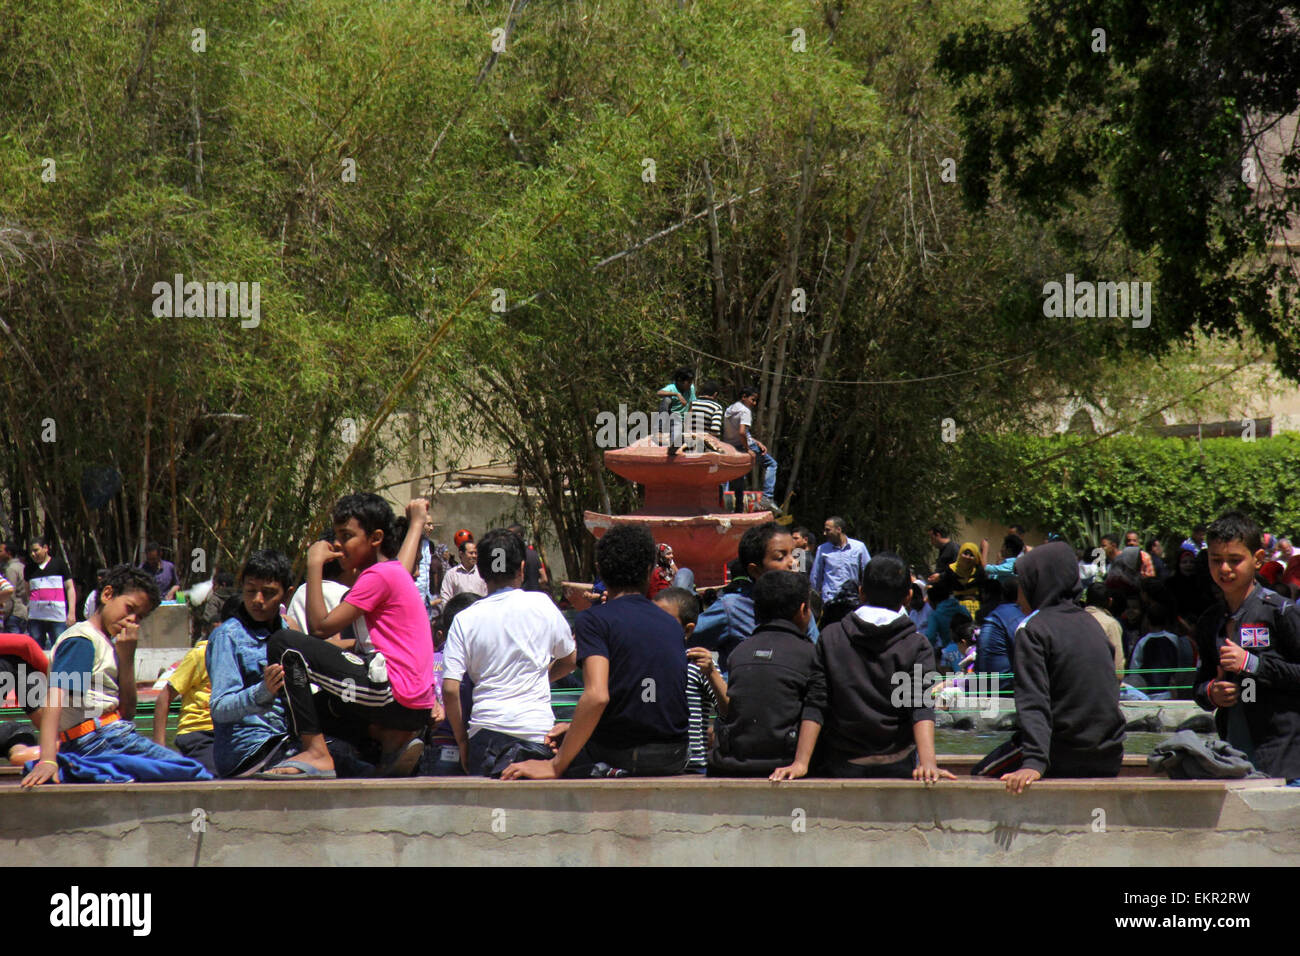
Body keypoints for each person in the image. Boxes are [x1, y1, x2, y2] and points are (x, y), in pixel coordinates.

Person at [259, 493, 435, 779]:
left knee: (284, 645)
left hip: (394, 695)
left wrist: (313, 564)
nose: (338, 545)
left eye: (347, 536)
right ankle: (385, 740)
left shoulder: (376, 576)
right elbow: (402, 565)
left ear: (375, 538)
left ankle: (317, 753)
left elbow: (319, 628)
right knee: (318, 711)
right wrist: (416, 524)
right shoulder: (391, 573)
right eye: (336, 536)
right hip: (412, 706)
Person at [502, 525, 689, 779]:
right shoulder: (671, 624)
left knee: (528, 756)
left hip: (621, 754)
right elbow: (646, 702)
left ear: (600, 569)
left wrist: (555, 765)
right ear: (649, 571)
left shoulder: (594, 620)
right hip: (674, 755)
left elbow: (597, 696)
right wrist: (575, 727)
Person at [21, 564, 210, 786]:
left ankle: (98, 769)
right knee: (194, 772)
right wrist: (48, 759)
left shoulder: (111, 645)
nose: (132, 620)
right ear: (107, 594)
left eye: (139, 617)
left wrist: (127, 657)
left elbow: (128, 712)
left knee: (184, 771)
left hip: (112, 735)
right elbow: (56, 697)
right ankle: (87, 767)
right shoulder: (83, 641)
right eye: (129, 608)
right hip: (98, 737)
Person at [775, 553, 954, 782]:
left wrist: (800, 763)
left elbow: (816, 701)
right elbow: (920, 706)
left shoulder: (831, 637)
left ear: (861, 593)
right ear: (908, 597)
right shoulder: (917, 645)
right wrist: (929, 764)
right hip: (898, 761)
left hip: (843, 762)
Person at [989, 542, 1126, 793]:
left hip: (1060, 755)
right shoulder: (1092, 624)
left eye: (1023, 582)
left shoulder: (1032, 630)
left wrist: (1034, 762)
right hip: (1108, 756)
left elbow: (1033, 701)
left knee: (980, 776)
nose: (1018, 593)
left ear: (1040, 583)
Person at [441, 529, 576, 777]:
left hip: (485, 736)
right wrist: (540, 678)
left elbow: (450, 689)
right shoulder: (543, 605)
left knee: (484, 814)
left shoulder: (464, 619)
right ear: (522, 568)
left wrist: (462, 741)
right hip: (538, 734)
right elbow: (569, 659)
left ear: (481, 572)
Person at [1192, 511, 1300, 783]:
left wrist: (1253, 665)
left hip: (1283, 756)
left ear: (1258, 559)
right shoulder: (1209, 621)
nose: (1224, 569)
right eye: (1216, 561)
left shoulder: (1279, 611)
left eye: (1234, 560)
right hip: (1234, 754)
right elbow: (1200, 684)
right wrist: (1213, 693)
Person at [708, 571, 821, 777]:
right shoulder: (810, 655)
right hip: (785, 764)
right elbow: (815, 709)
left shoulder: (739, 653)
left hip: (731, 764)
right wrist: (801, 763)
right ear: (803, 610)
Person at [206, 550, 297, 777]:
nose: (257, 600)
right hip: (247, 750)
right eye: (250, 591)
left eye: (268, 593)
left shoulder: (288, 633)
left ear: (287, 595)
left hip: (283, 739)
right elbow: (219, 708)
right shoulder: (228, 636)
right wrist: (263, 691)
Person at [693, 522, 817, 668]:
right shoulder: (732, 608)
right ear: (755, 571)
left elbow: (817, 658)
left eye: (794, 554)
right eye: (780, 557)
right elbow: (682, 639)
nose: (793, 563)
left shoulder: (801, 608)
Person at [653, 586, 727, 774]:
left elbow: (728, 711)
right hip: (655, 764)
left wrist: (711, 673)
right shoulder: (647, 662)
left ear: (687, 630)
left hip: (694, 768)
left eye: (664, 621)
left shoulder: (697, 663)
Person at [152, 638, 216, 774]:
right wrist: (159, 750)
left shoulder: (242, 654)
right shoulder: (200, 655)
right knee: (214, 775)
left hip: (230, 732)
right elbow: (164, 698)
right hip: (200, 731)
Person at [722, 385, 779, 512]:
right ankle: (767, 498)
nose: (754, 403)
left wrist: (757, 442)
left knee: (739, 475)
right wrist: (748, 449)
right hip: (744, 445)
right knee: (772, 464)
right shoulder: (745, 411)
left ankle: (738, 508)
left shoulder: (730, 409)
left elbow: (740, 432)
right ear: (744, 397)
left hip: (730, 446)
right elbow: (742, 432)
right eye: (752, 400)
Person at [1129, 603, 1194, 700]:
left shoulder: (1142, 642)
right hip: (1169, 692)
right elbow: (1183, 664)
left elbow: (1134, 669)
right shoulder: (1174, 639)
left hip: (1148, 694)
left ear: (1147, 621)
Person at [975, 574, 1025, 694]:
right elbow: (1025, 653)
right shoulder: (1015, 616)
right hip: (1003, 687)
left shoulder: (997, 614)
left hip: (983, 684)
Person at [25, 536, 76, 651]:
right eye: (31, 552)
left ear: (45, 548)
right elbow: (27, 591)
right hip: (36, 617)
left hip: (57, 617)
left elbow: (70, 588)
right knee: (36, 649)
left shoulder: (59, 564)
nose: (33, 554)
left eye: (36, 550)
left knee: (60, 648)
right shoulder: (28, 569)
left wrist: (71, 612)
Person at [809, 516, 871, 608]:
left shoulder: (859, 548)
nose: (824, 533)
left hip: (852, 599)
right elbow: (815, 577)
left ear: (838, 529)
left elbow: (868, 572)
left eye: (828, 530)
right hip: (829, 600)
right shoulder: (821, 549)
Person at [933, 541, 986, 622]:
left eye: (971, 555)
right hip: (955, 607)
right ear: (960, 554)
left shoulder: (979, 572)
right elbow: (943, 591)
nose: (967, 557)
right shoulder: (951, 571)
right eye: (965, 553)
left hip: (975, 608)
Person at [656, 367, 696, 456]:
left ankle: (673, 448)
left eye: (691, 382)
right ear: (680, 381)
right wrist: (677, 394)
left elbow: (691, 405)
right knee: (666, 400)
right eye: (688, 382)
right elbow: (659, 393)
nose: (690, 384)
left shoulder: (691, 388)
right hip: (670, 416)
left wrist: (687, 424)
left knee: (676, 437)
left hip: (679, 419)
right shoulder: (672, 387)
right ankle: (660, 430)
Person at [440, 538, 488, 604]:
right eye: (471, 553)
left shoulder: (483, 573)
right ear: (461, 554)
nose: (474, 556)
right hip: (459, 612)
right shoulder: (452, 574)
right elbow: (445, 598)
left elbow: (488, 594)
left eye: (475, 553)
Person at [506, 523, 550, 592]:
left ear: (518, 535)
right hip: (535, 595)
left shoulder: (515, 556)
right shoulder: (534, 554)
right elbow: (544, 579)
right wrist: (534, 584)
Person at [685, 380, 725, 448]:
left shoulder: (692, 404)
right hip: (705, 444)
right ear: (715, 394)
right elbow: (715, 430)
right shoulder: (716, 407)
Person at [1, 539, 27, 634]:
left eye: (1, 551)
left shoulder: (10, 569)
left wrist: (4, 615)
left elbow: (10, 594)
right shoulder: (22, 566)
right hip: (23, 612)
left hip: (14, 613)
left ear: (9, 553)